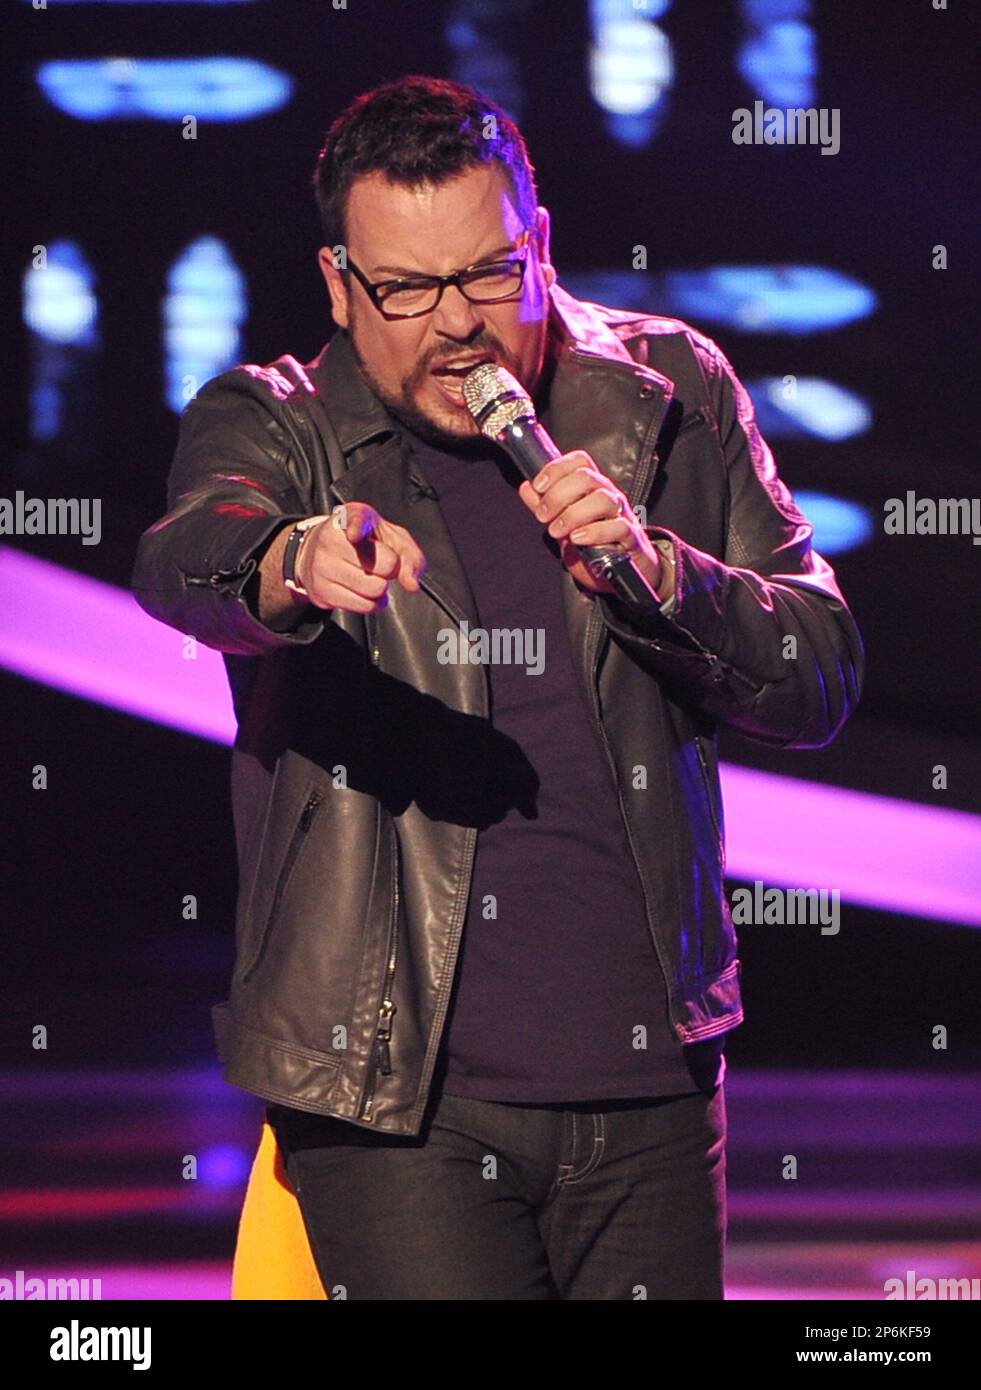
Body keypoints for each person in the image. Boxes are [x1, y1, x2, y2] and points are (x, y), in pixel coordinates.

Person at [131, 74, 863, 1300]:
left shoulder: (669, 393)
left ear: (540, 244)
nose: (456, 323)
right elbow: (187, 557)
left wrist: (657, 572)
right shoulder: (278, 421)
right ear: (339, 284)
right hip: (395, 1101)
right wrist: (293, 563)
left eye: (487, 273)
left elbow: (820, 671)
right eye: (406, 289)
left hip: (652, 1084)